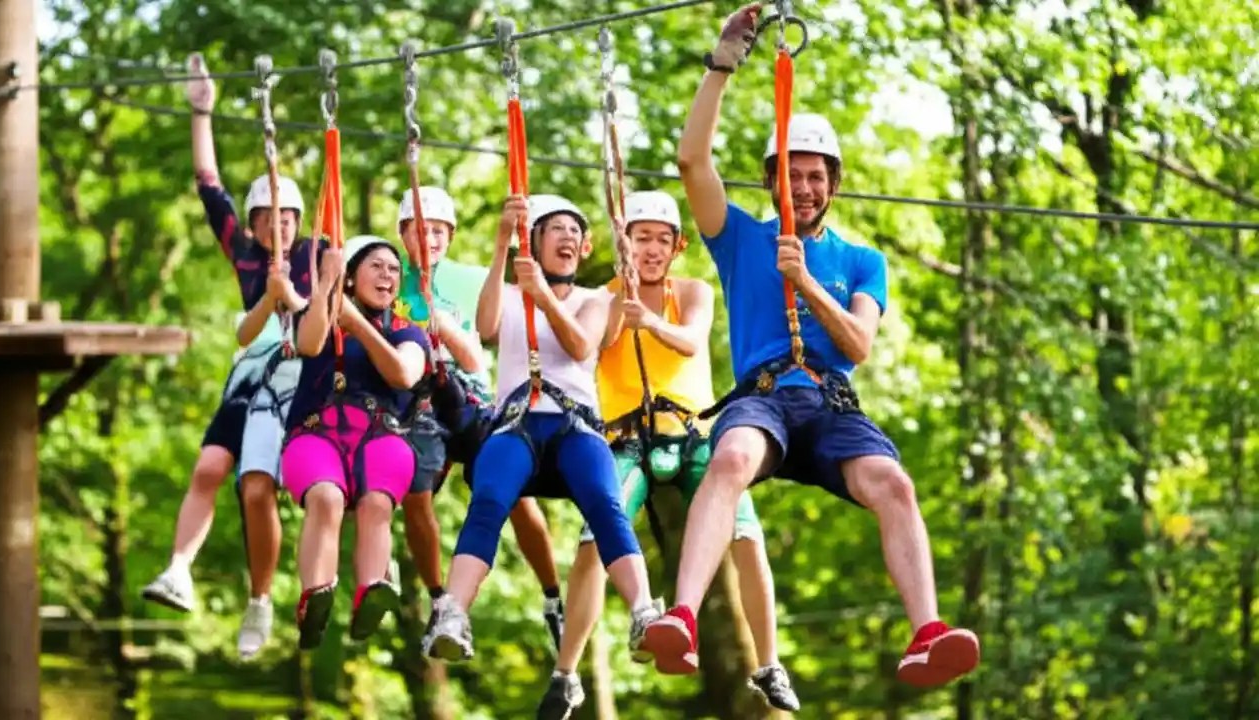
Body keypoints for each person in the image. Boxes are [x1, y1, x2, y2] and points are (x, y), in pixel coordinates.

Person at [641, 3, 982, 688]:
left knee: (894, 482)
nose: (804, 185)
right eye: (792, 173)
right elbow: (690, 160)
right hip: (764, 399)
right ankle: (680, 613)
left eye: (816, 175)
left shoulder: (861, 261)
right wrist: (722, 64)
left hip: (827, 403)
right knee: (731, 455)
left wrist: (806, 282)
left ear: (833, 183)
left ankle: (927, 633)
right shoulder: (738, 238)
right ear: (771, 180)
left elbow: (858, 342)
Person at [535, 190, 798, 718]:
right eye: (640, 239)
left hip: (694, 433)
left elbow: (690, 340)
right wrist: (619, 307)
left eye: (661, 241)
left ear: (677, 246)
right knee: (594, 542)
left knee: (746, 534)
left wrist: (648, 320)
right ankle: (566, 675)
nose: (651, 250)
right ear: (624, 245)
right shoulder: (598, 298)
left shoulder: (693, 291)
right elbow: (589, 346)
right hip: (627, 438)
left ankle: (768, 663)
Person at [421, 194, 661, 663]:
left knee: (605, 504)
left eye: (575, 231)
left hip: (575, 426)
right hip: (516, 423)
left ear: (584, 248)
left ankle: (643, 612)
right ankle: (452, 611)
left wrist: (544, 296)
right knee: (488, 499)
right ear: (533, 243)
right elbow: (486, 327)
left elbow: (579, 346)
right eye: (557, 230)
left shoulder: (598, 299)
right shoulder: (510, 295)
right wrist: (500, 249)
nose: (568, 238)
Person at [142, 52, 319, 660]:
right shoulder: (245, 252)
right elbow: (208, 183)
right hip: (250, 373)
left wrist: (286, 296)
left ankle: (261, 598)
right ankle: (178, 569)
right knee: (208, 469)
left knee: (254, 488)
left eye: (290, 217)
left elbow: (324, 310)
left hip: (296, 373)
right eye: (271, 217)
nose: (282, 226)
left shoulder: (319, 255)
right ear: (256, 220)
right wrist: (201, 111)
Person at [394, 186, 570, 650]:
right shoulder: (390, 280)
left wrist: (518, 241)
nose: (429, 239)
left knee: (511, 489)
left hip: (469, 398)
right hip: (417, 405)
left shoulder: (471, 279)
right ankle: (439, 600)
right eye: (419, 230)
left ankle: (553, 597)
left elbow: (503, 315)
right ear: (402, 234)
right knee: (415, 496)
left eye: (437, 231)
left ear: (449, 236)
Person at [281, 235, 431, 649]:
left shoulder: (409, 332)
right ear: (351, 277)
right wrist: (326, 288)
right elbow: (308, 345)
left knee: (377, 504)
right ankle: (316, 594)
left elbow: (404, 375)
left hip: (380, 433)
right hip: (317, 430)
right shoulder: (322, 316)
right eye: (376, 266)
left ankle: (371, 589)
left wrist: (359, 325)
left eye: (393, 269)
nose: (387, 275)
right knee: (327, 498)